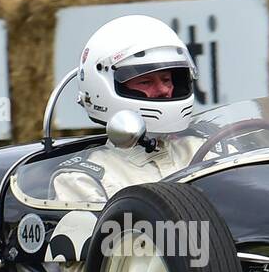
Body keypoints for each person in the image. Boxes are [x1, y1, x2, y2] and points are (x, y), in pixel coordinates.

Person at [49, 15, 202, 204]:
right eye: (146, 81)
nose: (163, 90)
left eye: (166, 79)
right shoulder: (83, 180)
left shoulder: (202, 149)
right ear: (103, 88)